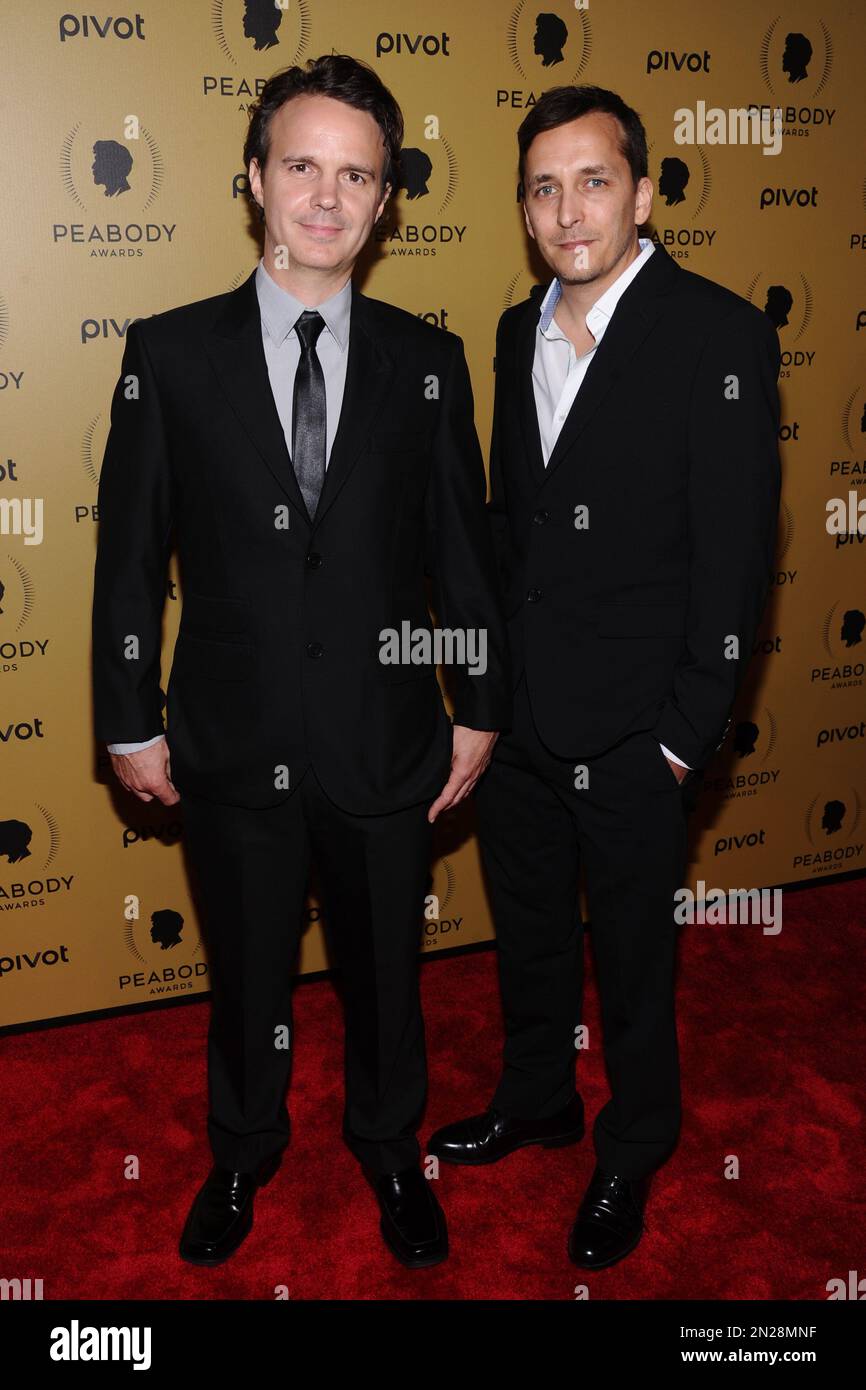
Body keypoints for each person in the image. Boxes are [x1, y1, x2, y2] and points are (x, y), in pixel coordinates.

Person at [91, 54, 510, 1270]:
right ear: (254, 182)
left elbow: (460, 558)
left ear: (383, 202)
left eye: (356, 175)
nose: (327, 197)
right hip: (231, 739)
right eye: (302, 167)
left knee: (387, 976)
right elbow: (129, 559)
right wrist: (128, 717)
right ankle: (241, 1151)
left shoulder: (428, 364)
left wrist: (476, 706)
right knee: (247, 979)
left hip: (386, 740)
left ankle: (390, 1146)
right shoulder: (168, 355)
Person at [429, 84, 781, 1269]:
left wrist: (682, 736)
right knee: (527, 930)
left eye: (591, 180)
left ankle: (633, 1142)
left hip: (639, 731)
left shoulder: (716, 334)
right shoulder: (508, 330)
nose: (565, 207)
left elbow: (735, 558)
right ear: (523, 210)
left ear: (640, 192)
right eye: (541, 186)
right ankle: (538, 1097)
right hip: (522, 718)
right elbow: (508, 531)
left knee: (633, 954)